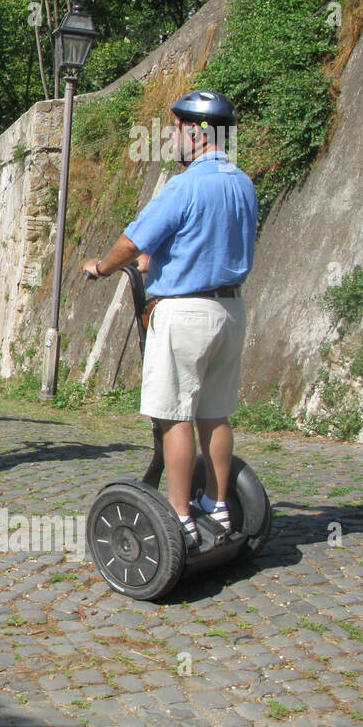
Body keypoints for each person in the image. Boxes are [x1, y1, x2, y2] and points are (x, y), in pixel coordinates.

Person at [83, 89, 256, 548]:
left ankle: (178, 518)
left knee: (174, 417)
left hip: (184, 313)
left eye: (177, 129)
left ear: (197, 132)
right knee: (215, 414)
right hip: (230, 310)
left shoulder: (184, 185)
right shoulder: (242, 182)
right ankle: (218, 505)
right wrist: (155, 261)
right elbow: (208, 240)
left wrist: (102, 266)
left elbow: (133, 241)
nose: (172, 137)